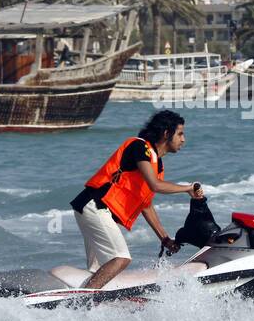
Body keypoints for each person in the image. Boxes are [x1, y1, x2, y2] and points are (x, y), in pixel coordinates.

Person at [70, 110, 205, 289]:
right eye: (180, 133)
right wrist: (188, 188)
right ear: (166, 133)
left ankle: (81, 298)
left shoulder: (156, 164)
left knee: (99, 270)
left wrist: (164, 239)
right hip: (94, 206)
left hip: (92, 210)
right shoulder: (139, 147)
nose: (183, 139)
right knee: (121, 258)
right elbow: (156, 185)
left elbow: (146, 205)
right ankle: (83, 303)